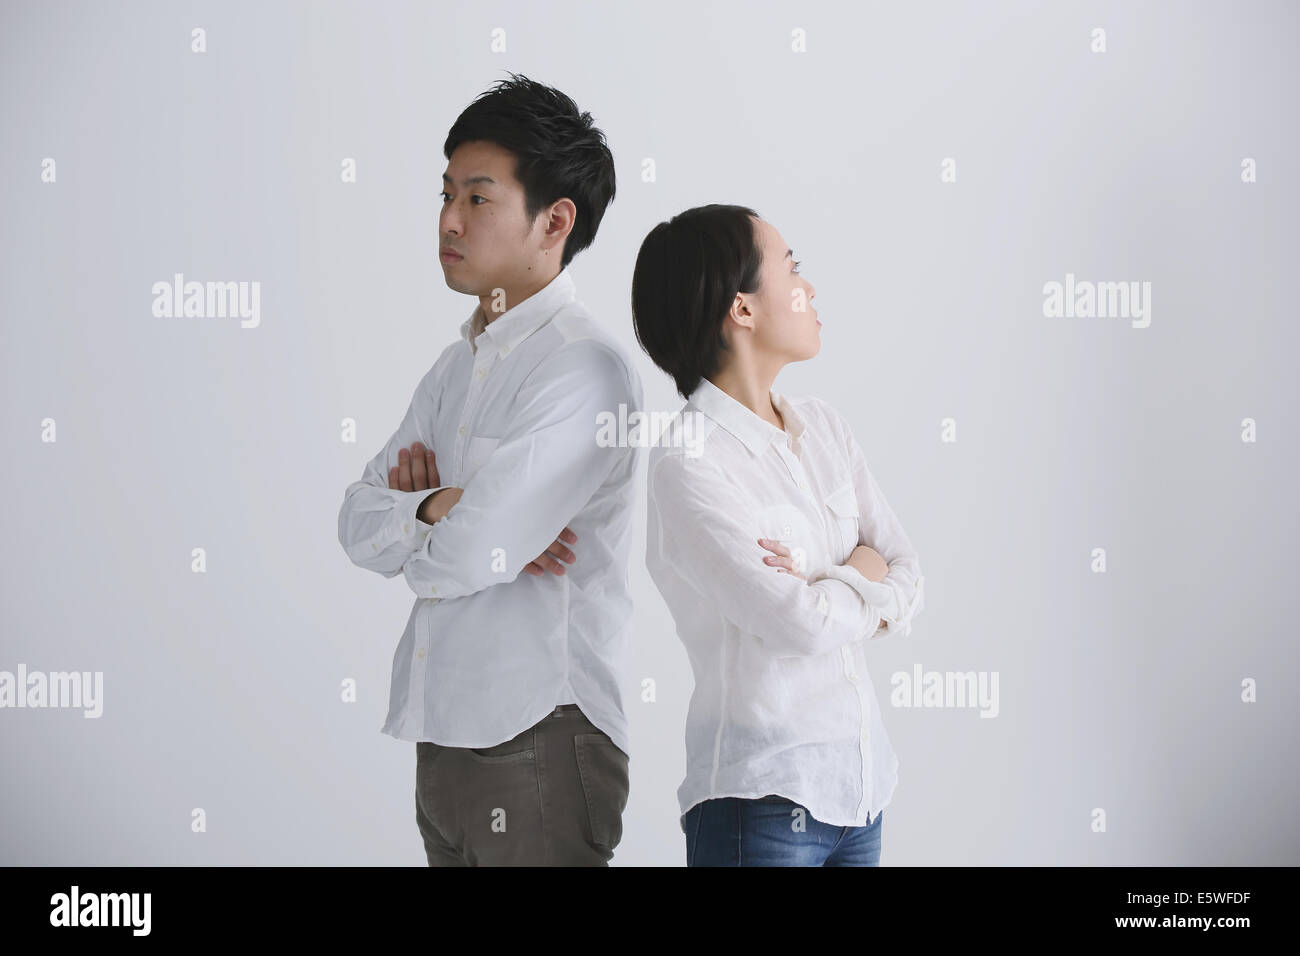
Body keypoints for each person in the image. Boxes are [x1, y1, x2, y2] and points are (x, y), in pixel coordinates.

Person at [337, 74, 642, 866]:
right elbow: (355, 524)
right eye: (445, 194)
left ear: (555, 221)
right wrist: (445, 505)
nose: (447, 220)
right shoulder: (454, 367)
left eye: (478, 198)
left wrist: (455, 528)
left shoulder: (584, 371)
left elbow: (479, 552)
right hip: (442, 738)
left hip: (537, 736)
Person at [632, 204, 925, 866]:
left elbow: (909, 568)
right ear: (742, 309)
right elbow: (798, 625)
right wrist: (863, 575)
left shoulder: (826, 429)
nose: (810, 289)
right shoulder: (689, 462)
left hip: (861, 791)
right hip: (757, 803)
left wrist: (833, 584)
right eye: (793, 269)